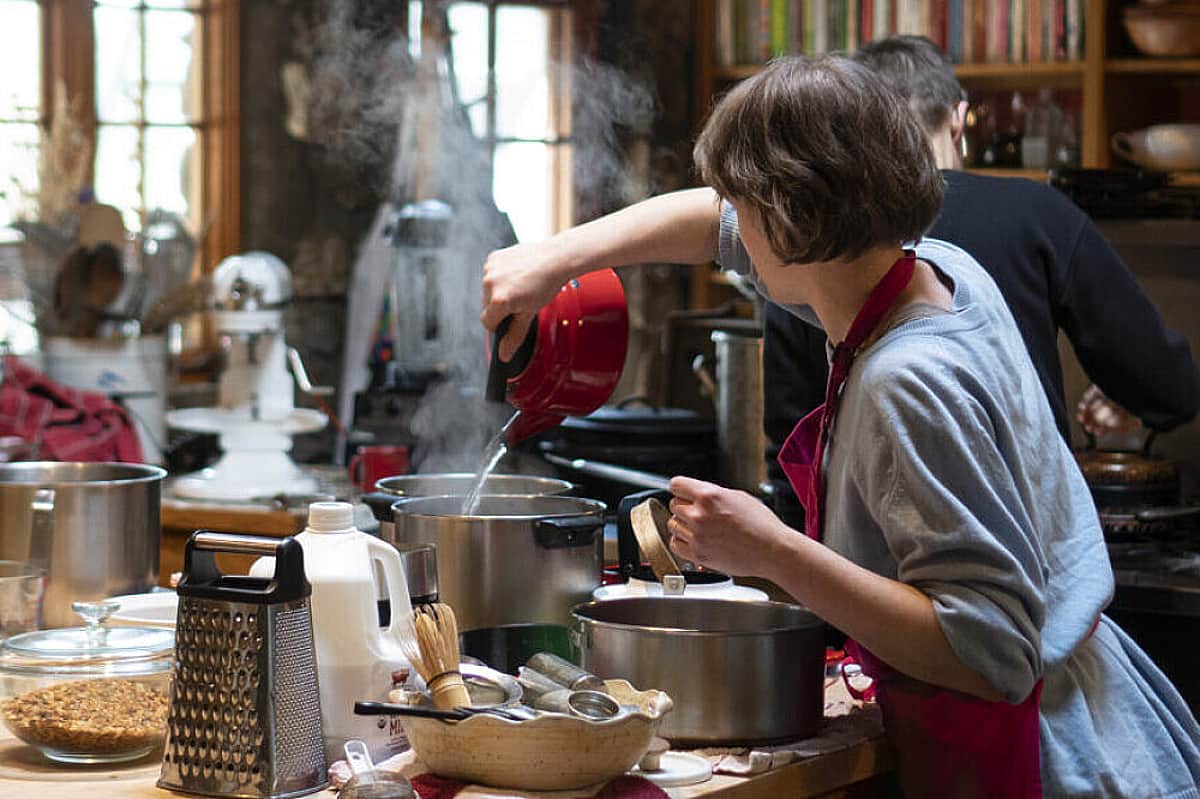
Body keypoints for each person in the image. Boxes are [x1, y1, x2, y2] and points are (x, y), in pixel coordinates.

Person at [482, 54, 1200, 798]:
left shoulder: (906, 381)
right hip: (1104, 708)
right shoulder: (934, 270)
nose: (732, 226)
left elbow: (992, 647)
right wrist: (552, 258)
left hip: (1055, 755)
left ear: (791, 222)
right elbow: (709, 225)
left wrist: (775, 550)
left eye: (742, 202)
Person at [763, 35, 1200, 532]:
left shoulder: (808, 243)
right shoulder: (1039, 214)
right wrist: (1132, 397)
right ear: (958, 118)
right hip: (1026, 548)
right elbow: (1169, 390)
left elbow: (789, 448)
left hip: (862, 564)